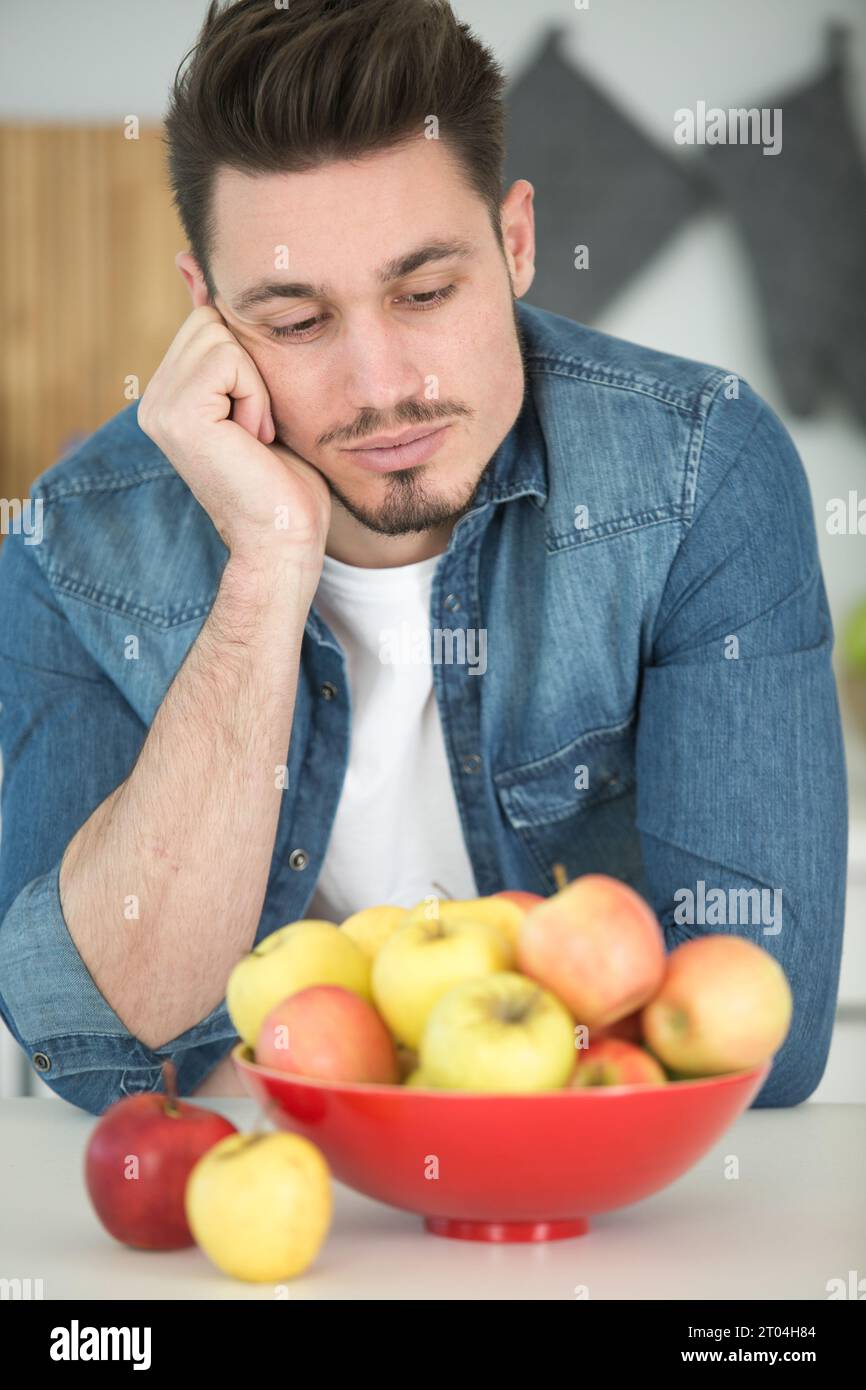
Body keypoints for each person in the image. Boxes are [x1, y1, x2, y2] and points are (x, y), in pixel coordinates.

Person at [0, 0, 847, 1113]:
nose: (379, 385)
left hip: (590, 1231)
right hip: (235, 1234)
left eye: (427, 291)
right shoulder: (80, 536)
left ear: (517, 242)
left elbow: (760, 1038)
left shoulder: (700, 472)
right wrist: (266, 566)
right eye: (297, 322)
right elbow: (95, 1048)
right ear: (205, 311)